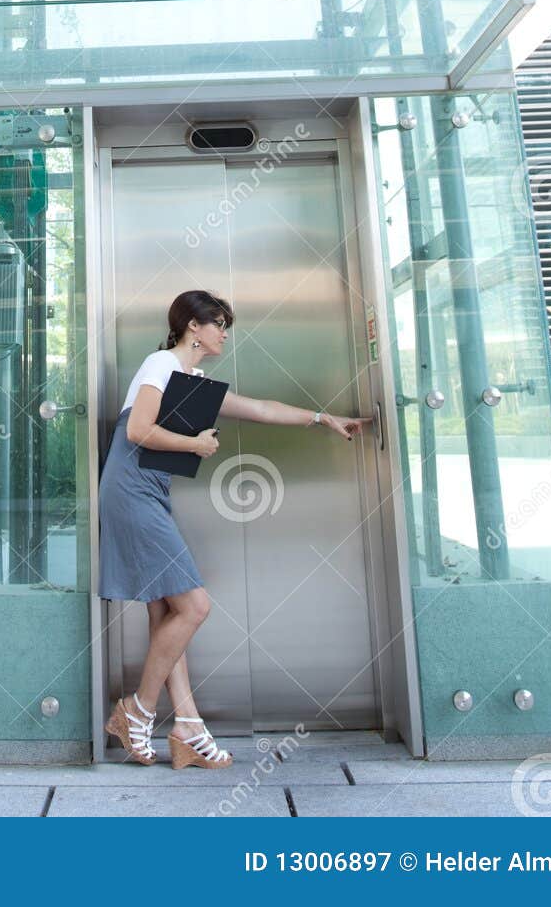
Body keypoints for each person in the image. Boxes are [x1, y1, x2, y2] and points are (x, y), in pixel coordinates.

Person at [98, 288, 366, 769]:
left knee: (166, 610)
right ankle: (136, 711)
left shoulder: (193, 379)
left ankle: (188, 727)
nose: (224, 333)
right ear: (192, 327)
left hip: (150, 492)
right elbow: (138, 431)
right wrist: (195, 445)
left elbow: (260, 408)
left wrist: (325, 418)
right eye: (218, 323)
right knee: (194, 606)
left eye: (225, 325)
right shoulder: (161, 365)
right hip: (131, 490)